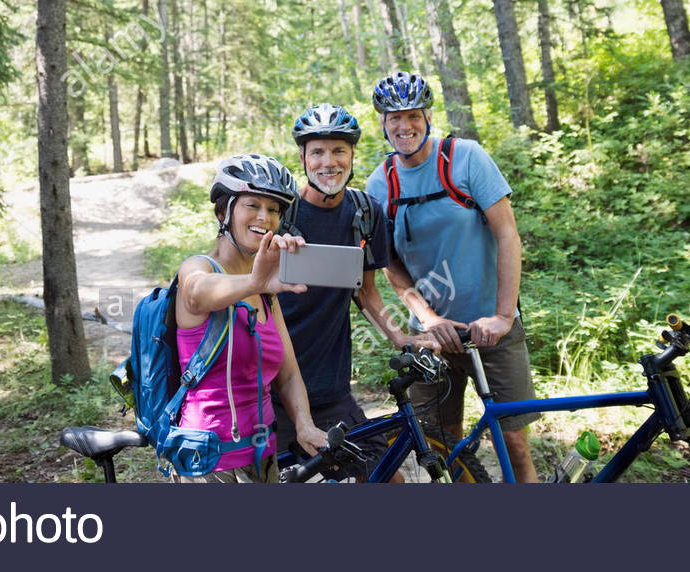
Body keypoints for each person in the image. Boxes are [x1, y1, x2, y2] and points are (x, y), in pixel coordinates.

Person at [365, 71, 541, 482]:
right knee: (444, 447)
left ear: (427, 116)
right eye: (394, 118)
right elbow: (391, 265)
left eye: (413, 115)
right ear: (383, 124)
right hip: (431, 338)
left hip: (492, 329)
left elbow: (507, 234)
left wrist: (501, 316)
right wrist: (429, 320)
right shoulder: (380, 184)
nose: (404, 126)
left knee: (514, 443)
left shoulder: (466, 157)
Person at [272, 103, 425, 481]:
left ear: (353, 154)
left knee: (386, 477)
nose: (329, 162)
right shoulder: (280, 212)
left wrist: (401, 338)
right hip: (270, 390)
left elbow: (367, 293)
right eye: (318, 151)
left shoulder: (365, 212)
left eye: (339, 150)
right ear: (303, 158)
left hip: (330, 389)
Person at [172, 153, 327, 482]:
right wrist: (254, 282)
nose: (265, 217)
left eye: (273, 209)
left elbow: (287, 375)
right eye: (252, 205)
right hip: (208, 464)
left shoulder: (267, 291)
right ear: (222, 212)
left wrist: (304, 425)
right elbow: (196, 291)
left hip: (262, 458)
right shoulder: (198, 268)